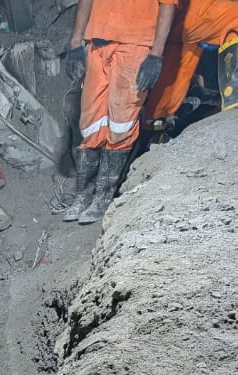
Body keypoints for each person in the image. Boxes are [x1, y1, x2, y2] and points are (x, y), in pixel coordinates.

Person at [62, 0, 179, 223]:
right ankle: (83, 195)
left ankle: (103, 197)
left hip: (134, 44)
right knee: (90, 121)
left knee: (121, 122)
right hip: (97, 40)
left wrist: (156, 54)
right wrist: (76, 41)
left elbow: (168, 4)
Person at [146, 1, 238, 123]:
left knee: (179, 66)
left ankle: (155, 122)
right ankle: (233, 95)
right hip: (177, 14)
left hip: (161, 23)